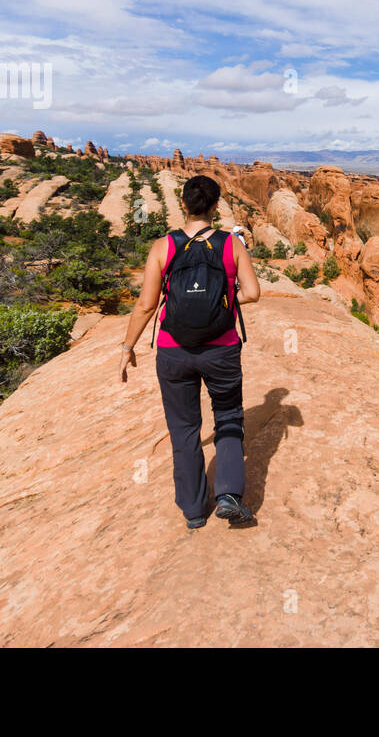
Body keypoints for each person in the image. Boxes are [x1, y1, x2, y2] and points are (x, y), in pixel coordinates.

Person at [117, 175, 261, 529]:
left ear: (183, 204)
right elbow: (253, 293)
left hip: (173, 351)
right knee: (228, 417)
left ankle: (194, 511)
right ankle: (228, 495)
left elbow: (146, 304)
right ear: (216, 207)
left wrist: (127, 346)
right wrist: (222, 302)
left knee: (183, 428)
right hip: (221, 349)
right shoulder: (232, 245)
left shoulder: (163, 247)